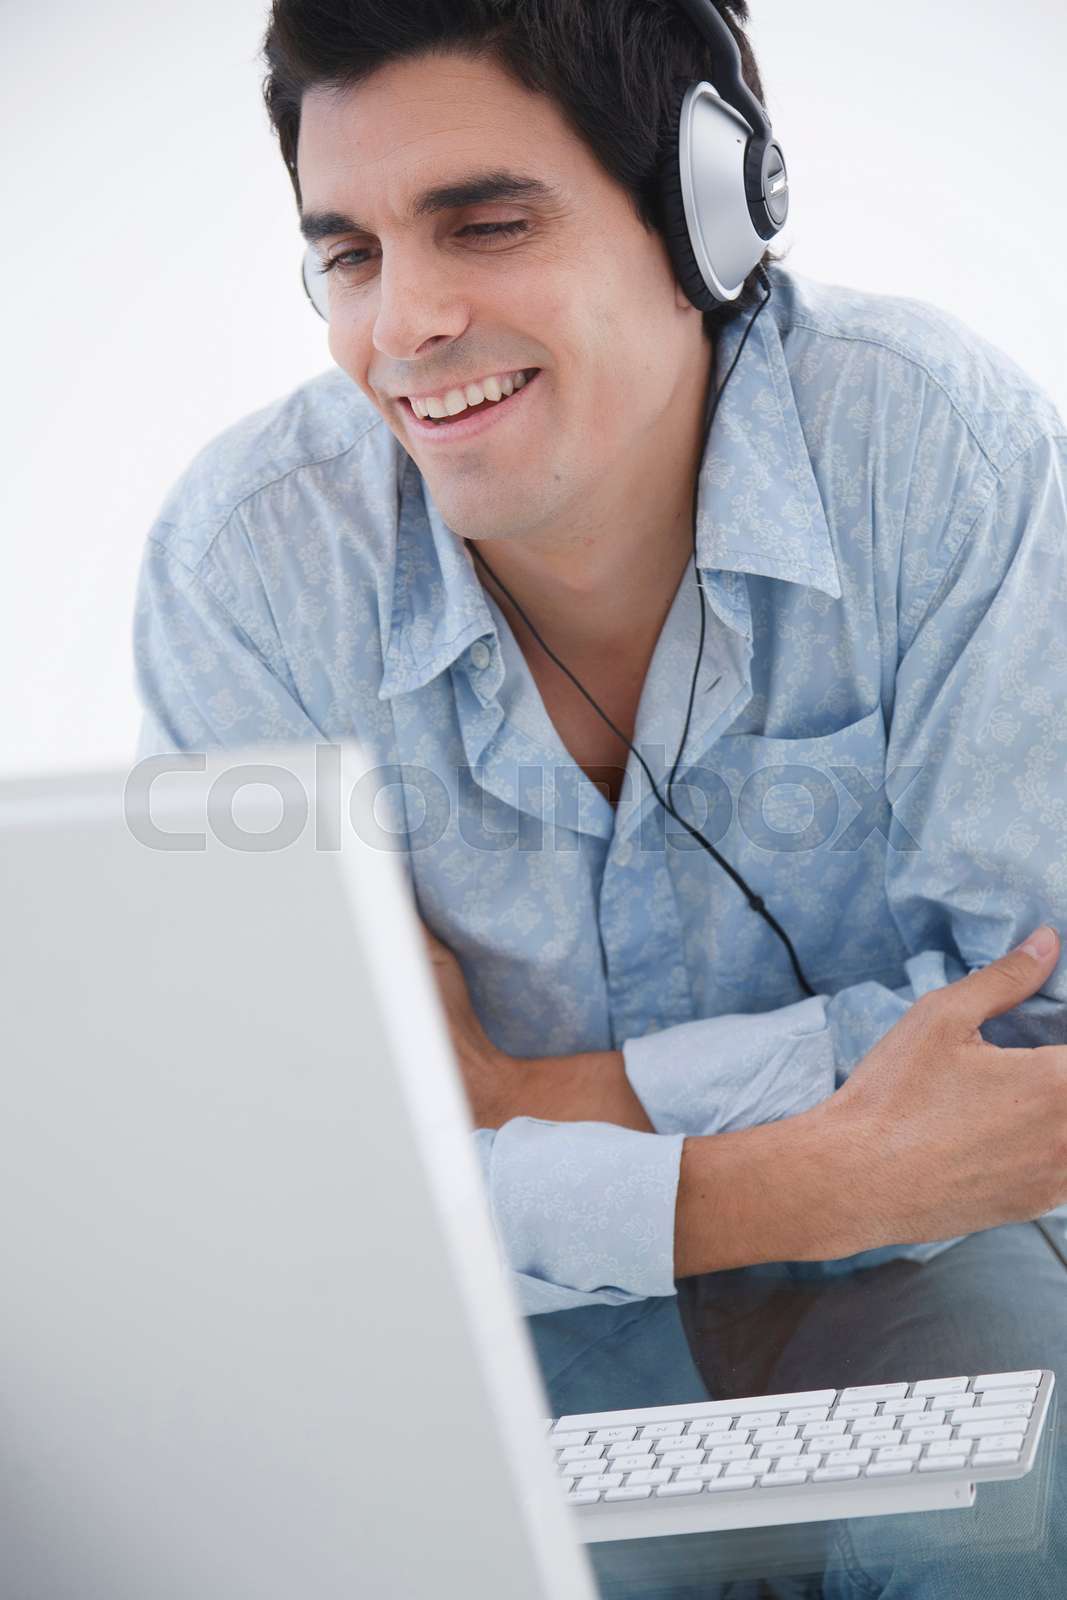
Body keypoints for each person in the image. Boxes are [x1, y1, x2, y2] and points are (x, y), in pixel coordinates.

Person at [133, 3, 1067, 1592]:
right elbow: (307, 1168)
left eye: (485, 224)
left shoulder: (935, 452)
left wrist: (503, 1104)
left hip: (930, 1260)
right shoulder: (252, 571)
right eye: (348, 255)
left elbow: (1033, 1069)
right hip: (500, 1312)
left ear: (709, 213)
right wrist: (809, 1171)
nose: (403, 324)